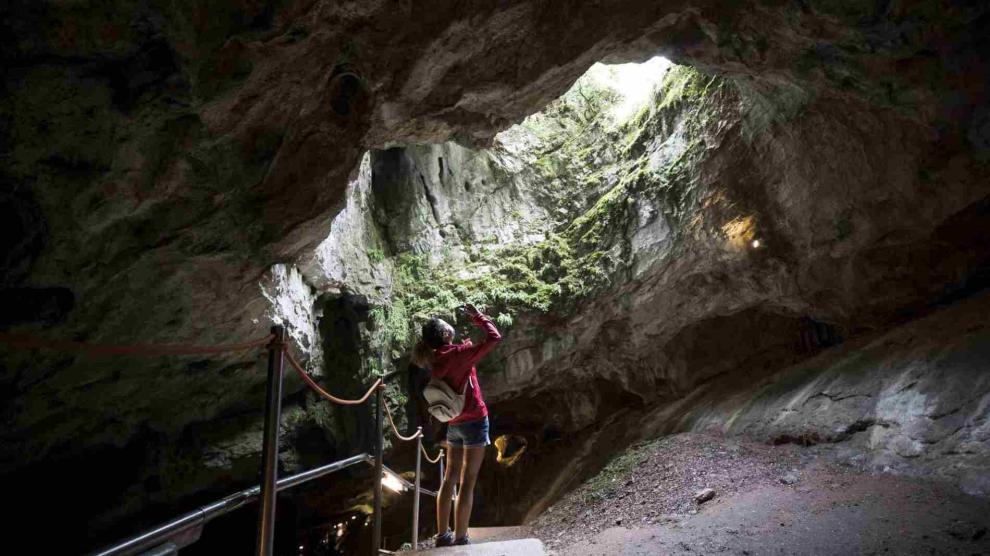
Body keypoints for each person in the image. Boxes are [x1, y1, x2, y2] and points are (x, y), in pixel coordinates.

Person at [411, 303, 502, 547]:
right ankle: (461, 537)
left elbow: (459, 369)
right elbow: (494, 337)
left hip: (454, 424)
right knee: (468, 481)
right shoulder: (458, 354)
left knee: (449, 478)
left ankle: (443, 536)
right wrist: (477, 317)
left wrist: (465, 349)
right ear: (444, 334)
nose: (447, 322)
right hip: (474, 420)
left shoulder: (436, 359)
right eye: (444, 323)